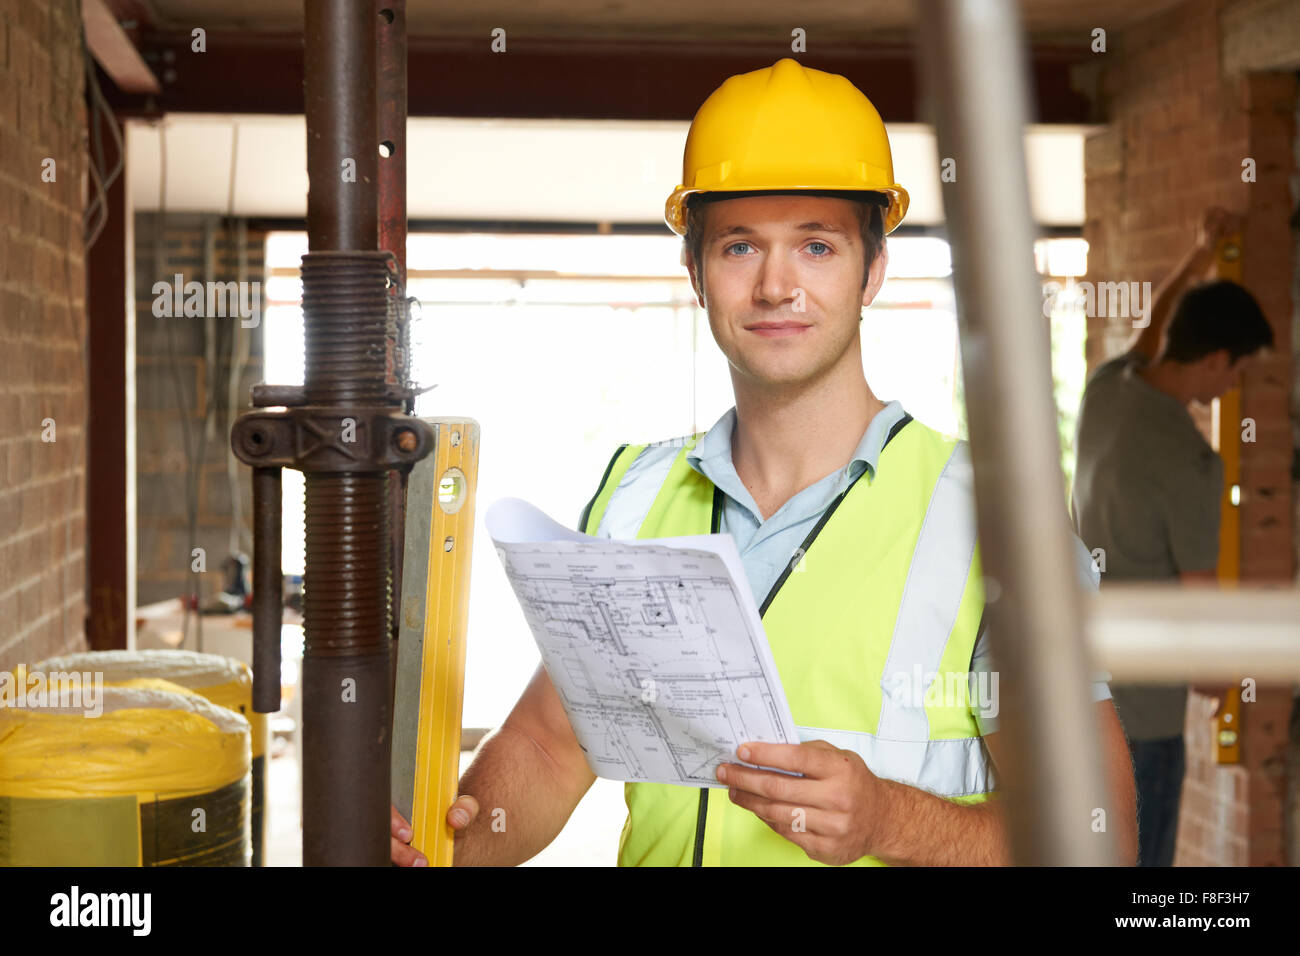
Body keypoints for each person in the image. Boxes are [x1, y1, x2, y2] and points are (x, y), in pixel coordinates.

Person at [393, 58, 1137, 866]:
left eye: (817, 246)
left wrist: (887, 820)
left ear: (872, 272)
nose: (777, 286)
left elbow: (1098, 841)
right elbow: (549, 746)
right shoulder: (638, 496)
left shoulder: (990, 519)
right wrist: (445, 848)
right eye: (741, 246)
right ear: (695, 274)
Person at [1071, 207, 1275, 867]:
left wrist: (1198, 254)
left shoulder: (1106, 391)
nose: (1233, 384)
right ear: (1217, 358)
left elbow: (1151, 326)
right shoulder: (1193, 461)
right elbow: (1199, 603)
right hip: (1146, 728)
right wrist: (1225, 679)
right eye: (1236, 369)